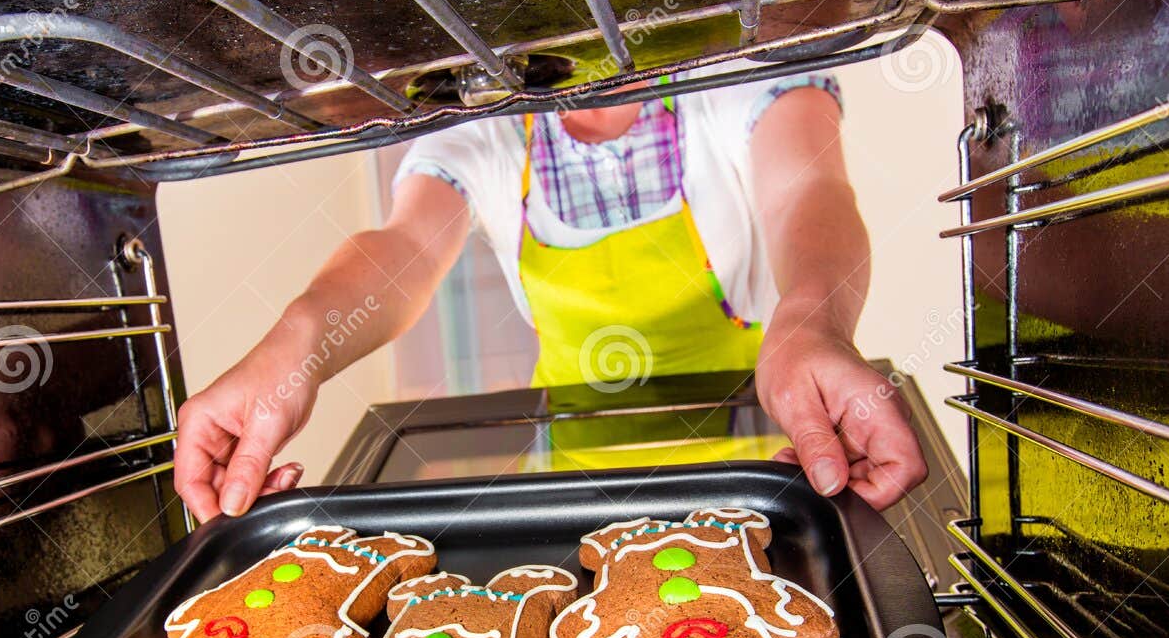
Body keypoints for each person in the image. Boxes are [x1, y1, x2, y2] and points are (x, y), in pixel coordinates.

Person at [173, 69, 928, 521]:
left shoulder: (729, 77)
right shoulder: (488, 129)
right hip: (577, 482)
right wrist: (298, 342)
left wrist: (809, 321)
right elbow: (403, 248)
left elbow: (809, 188)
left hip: (768, 462)